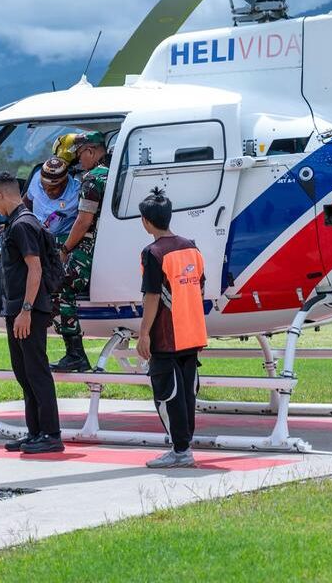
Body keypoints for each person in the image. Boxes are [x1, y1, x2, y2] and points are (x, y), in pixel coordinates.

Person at [0, 156, 78, 343]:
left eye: (54, 188)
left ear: (65, 182)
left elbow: (83, 222)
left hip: (55, 241)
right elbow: (25, 202)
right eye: (45, 186)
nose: (48, 191)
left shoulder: (76, 192)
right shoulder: (37, 181)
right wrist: (11, 223)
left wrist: (66, 249)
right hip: (32, 232)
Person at [0, 172, 64, 454]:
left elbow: (35, 268)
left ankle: (51, 434)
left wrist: (27, 310)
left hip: (28, 310)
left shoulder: (23, 224)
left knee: (37, 372)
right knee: (24, 373)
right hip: (18, 309)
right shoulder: (18, 223)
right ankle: (35, 432)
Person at [135, 188, 207, 469]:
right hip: (192, 333)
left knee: (168, 395)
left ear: (146, 221)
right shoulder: (192, 247)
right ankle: (183, 447)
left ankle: (180, 451)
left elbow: (152, 297)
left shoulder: (153, 253)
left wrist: (144, 334)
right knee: (187, 393)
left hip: (166, 336)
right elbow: (200, 287)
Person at [52, 131, 110, 372]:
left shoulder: (93, 180)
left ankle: (75, 353)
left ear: (91, 151)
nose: (79, 160)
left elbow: (84, 220)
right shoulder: (112, 173)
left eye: (80, 155)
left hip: (91, 245)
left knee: (60, 286)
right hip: (106, 243)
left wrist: (65, 249)